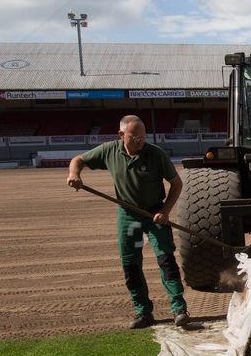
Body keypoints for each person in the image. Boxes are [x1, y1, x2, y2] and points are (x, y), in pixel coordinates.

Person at [67, 115, 190, 328]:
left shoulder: (155, 155)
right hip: (130, 218)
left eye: (143, 137)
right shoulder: (109, 151)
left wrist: (165, 210)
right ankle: (143, 311)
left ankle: (179, 309)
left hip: (155, 216)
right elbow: (79, 160)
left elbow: (176, 184)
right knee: (131, 265)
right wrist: (74, 174)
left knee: (166, 261)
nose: (140, 141)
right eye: (135, 138)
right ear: (122, 135)